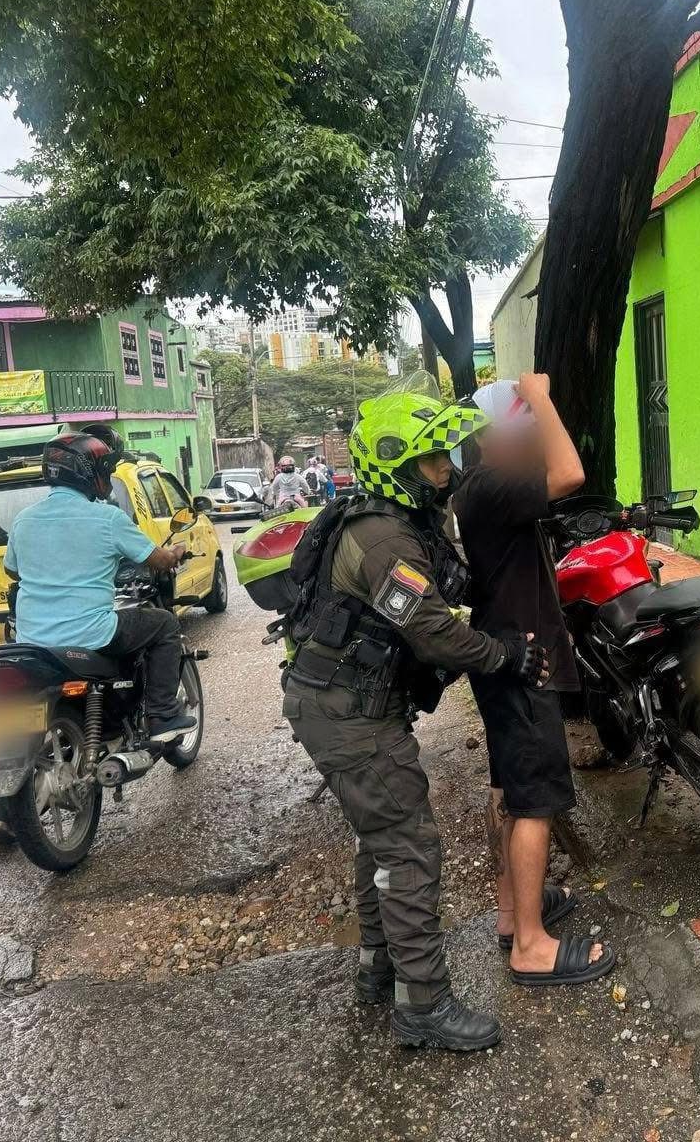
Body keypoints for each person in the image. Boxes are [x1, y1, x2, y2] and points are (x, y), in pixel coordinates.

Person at [281, 373, 549, 1052]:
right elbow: (428, 628)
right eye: (430, 460)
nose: (443, 471)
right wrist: (502, 654)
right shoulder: (383, 540)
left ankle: (379, 969)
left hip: (341, 706)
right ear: (395, 465)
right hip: (349, 715)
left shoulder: (387, 520)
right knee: (408, 847)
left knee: (380, 839)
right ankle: (423, 1005)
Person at [453, 375, 615, 988]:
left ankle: (509, 911)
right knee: (536, 800)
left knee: (509, 786)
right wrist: (544, 396)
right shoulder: (495, 483)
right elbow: (573, 473)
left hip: (501, 653)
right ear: (499, 437)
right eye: (525, 432)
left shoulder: (479, 489)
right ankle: (530, 944)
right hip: (526, 662)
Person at [0, 426, 193, 845]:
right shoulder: (107, 518)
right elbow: (157, 558)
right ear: (91, 474)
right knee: (164, 626)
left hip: (32, 642)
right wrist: (177, 553)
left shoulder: (24, 520)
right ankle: (162, 715)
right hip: (91, 633)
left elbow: (13, 570)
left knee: (20, 711)